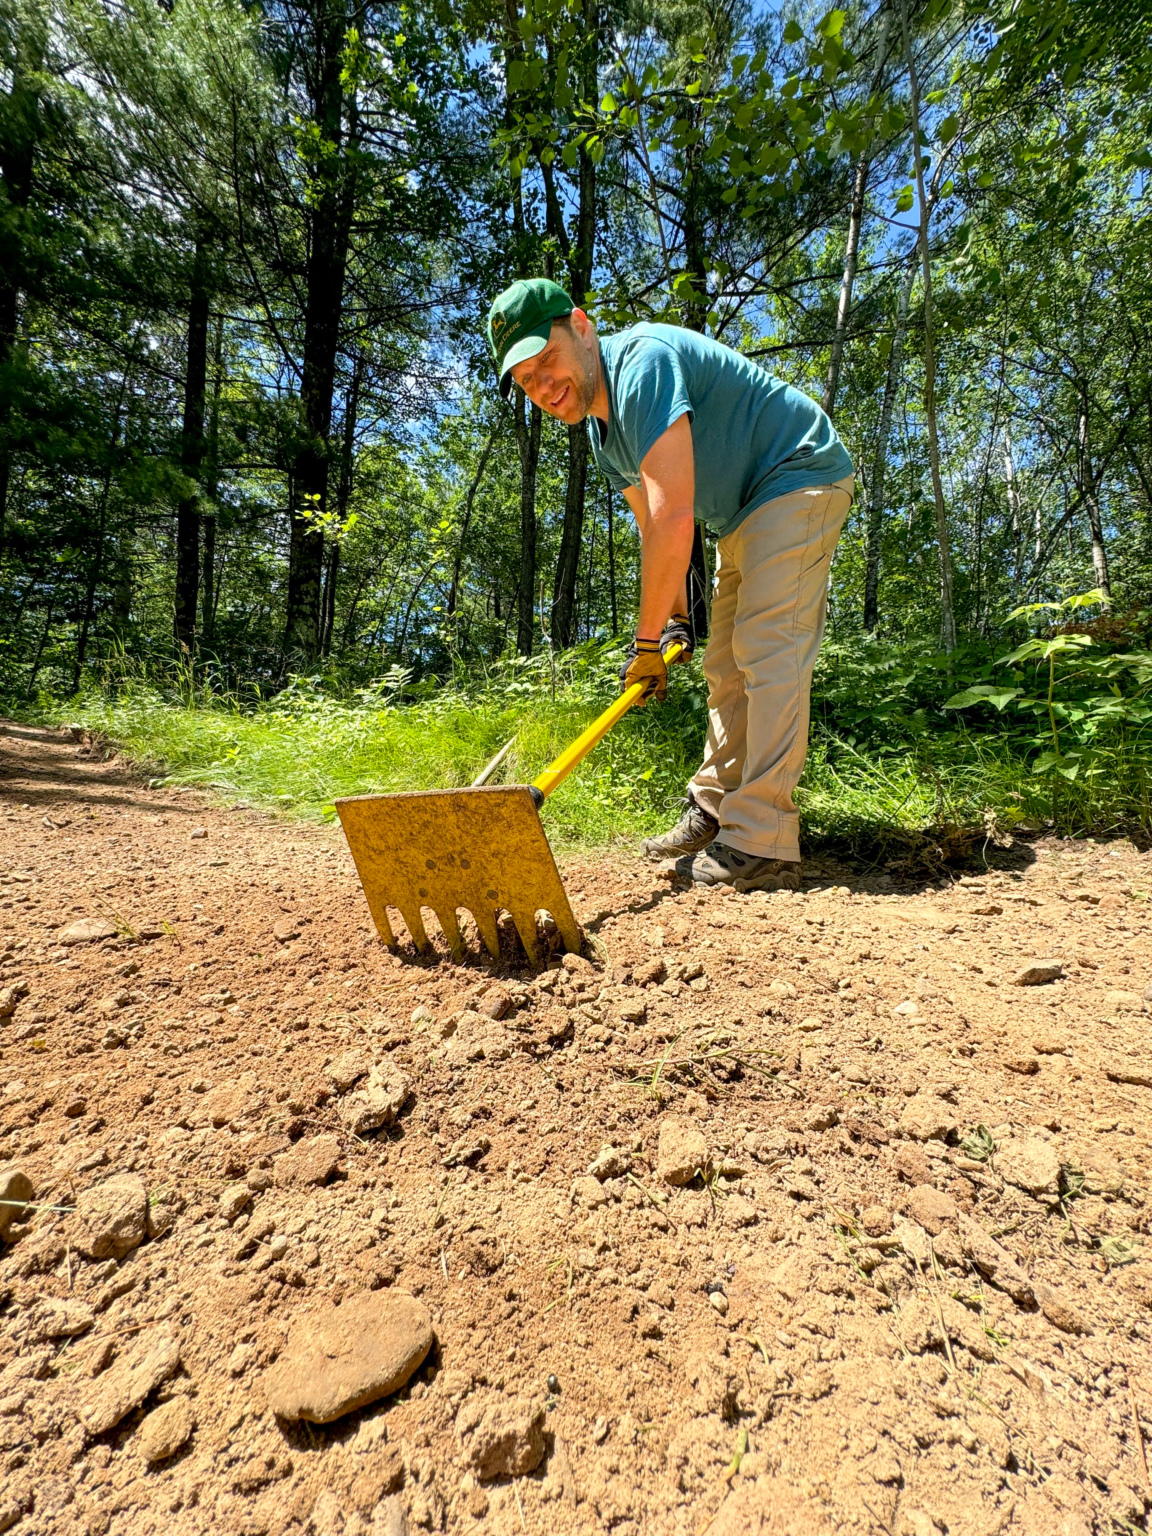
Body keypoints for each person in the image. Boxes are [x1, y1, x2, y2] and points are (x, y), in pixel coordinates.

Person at [486, 277, 854, 892]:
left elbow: (673, 516)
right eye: (526, 379)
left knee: (768, 649)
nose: (543, 386)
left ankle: (762, 837)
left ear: (581, 327)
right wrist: (675, 620)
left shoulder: (644, 363)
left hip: (796, 473)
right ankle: (716, 807)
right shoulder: (607, 439)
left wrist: (645, 645)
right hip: (741, 512)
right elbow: (651, 526)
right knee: (723, 663)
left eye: (546, 359)